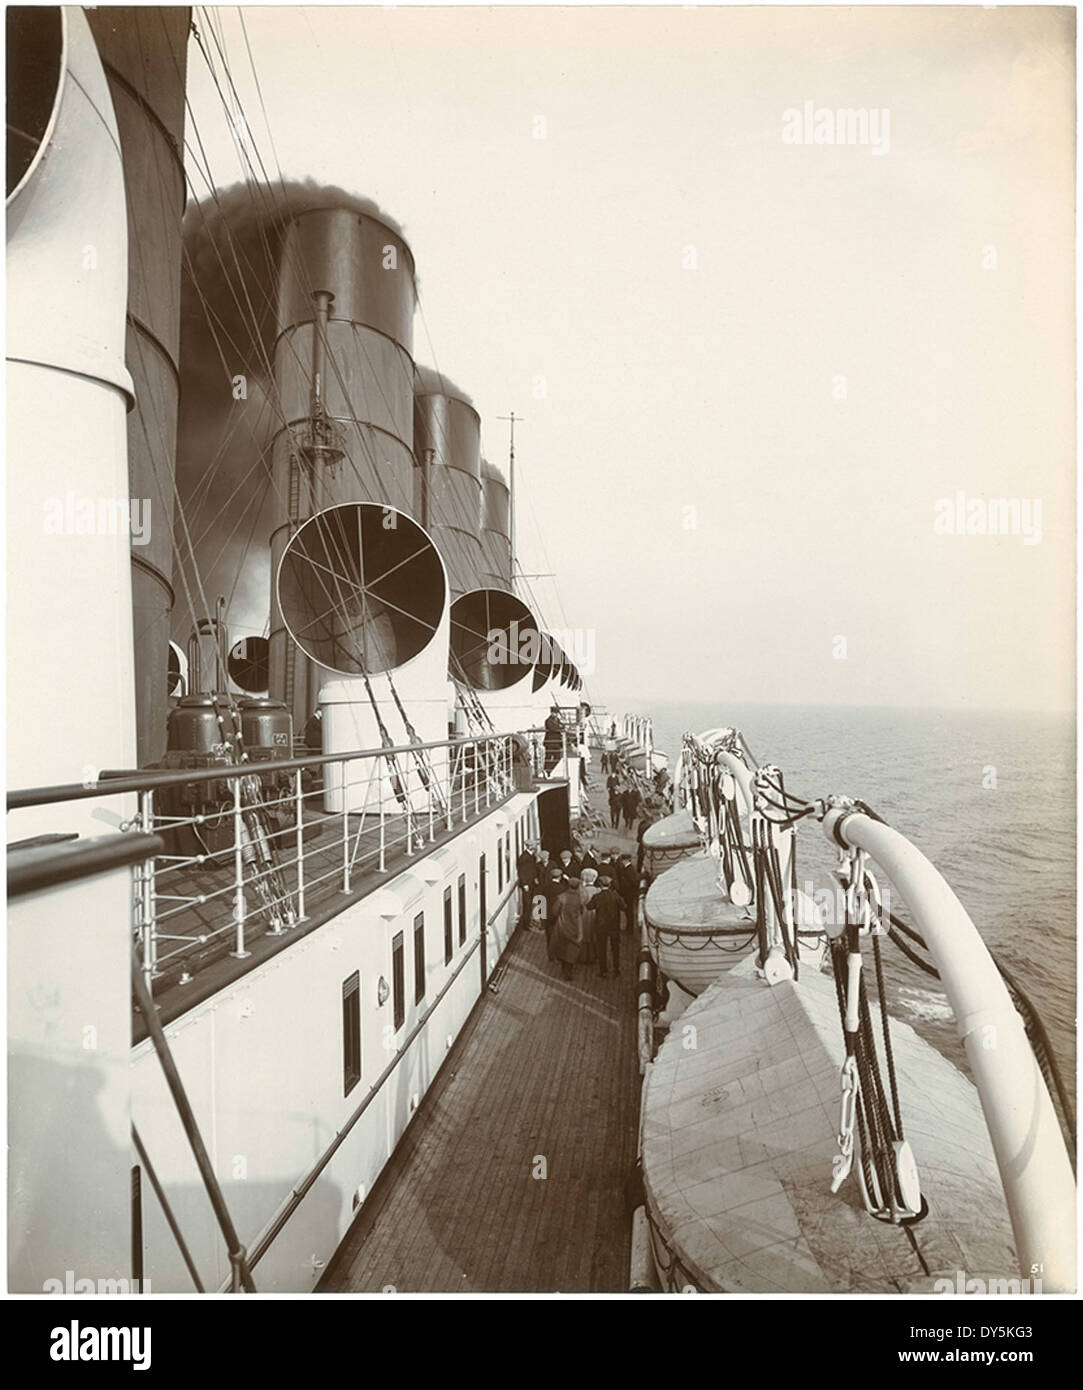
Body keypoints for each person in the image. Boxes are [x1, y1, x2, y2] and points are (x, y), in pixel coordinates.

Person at [551, 876, 586, 980]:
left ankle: (564, 967)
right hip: (575, 925)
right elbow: (582, 911)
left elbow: (554, 911)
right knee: (572, 948)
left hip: (562, 925)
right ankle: (569, 969)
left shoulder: (562, 897)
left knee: (562, 946)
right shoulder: (580, 898)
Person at [592, 874, 626, 976]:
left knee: (602, 948)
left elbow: (589, 906)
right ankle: (616, 968)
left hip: (601, 926)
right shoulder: (615, 896)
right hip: (614, 926)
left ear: (600, 884)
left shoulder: (597, 896)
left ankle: (603, 970)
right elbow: (624, 907)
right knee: (615, 948)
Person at [578, 867, 600, 964]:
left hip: (583, 915)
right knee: (593, 935)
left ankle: (583, 956)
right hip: (595, 915)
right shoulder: (598, 890)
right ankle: (594, 956)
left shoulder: (581, 891)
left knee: (583, 935)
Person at [517, 841, 539, 927]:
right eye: (534, 846)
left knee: (530, 903)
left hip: (531, 883)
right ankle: (526, 924)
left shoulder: (531, 856)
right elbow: (521, 872)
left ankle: (529, 920)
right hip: (527, 884)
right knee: (527, 904)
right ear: (530, 846)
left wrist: (535, 877)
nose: (535, 847)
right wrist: (524, 884)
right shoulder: (524, 857)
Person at [617, 854, 638, 929]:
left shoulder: (629, 869)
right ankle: (629, 927)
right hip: (628, 894)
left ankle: (630, 928)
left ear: (626, 860)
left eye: (623, 860)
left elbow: (634, 882)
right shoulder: (629, 868)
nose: (622, 862)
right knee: (628, 911)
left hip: (629, 894)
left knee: (629, 911)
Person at [543, 706, 564, 774]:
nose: (555, 714)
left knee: (557, 757)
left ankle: (550, 770)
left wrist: (560, 727)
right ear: (551, 712)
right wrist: (559, 727)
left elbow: (562, 726)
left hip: (557, 742)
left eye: (556, 713)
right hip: (550, 742)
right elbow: (552, 728)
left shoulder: (557, 720)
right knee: (548, 757)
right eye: (554, 713)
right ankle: (546, 771)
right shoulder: (548, 721)